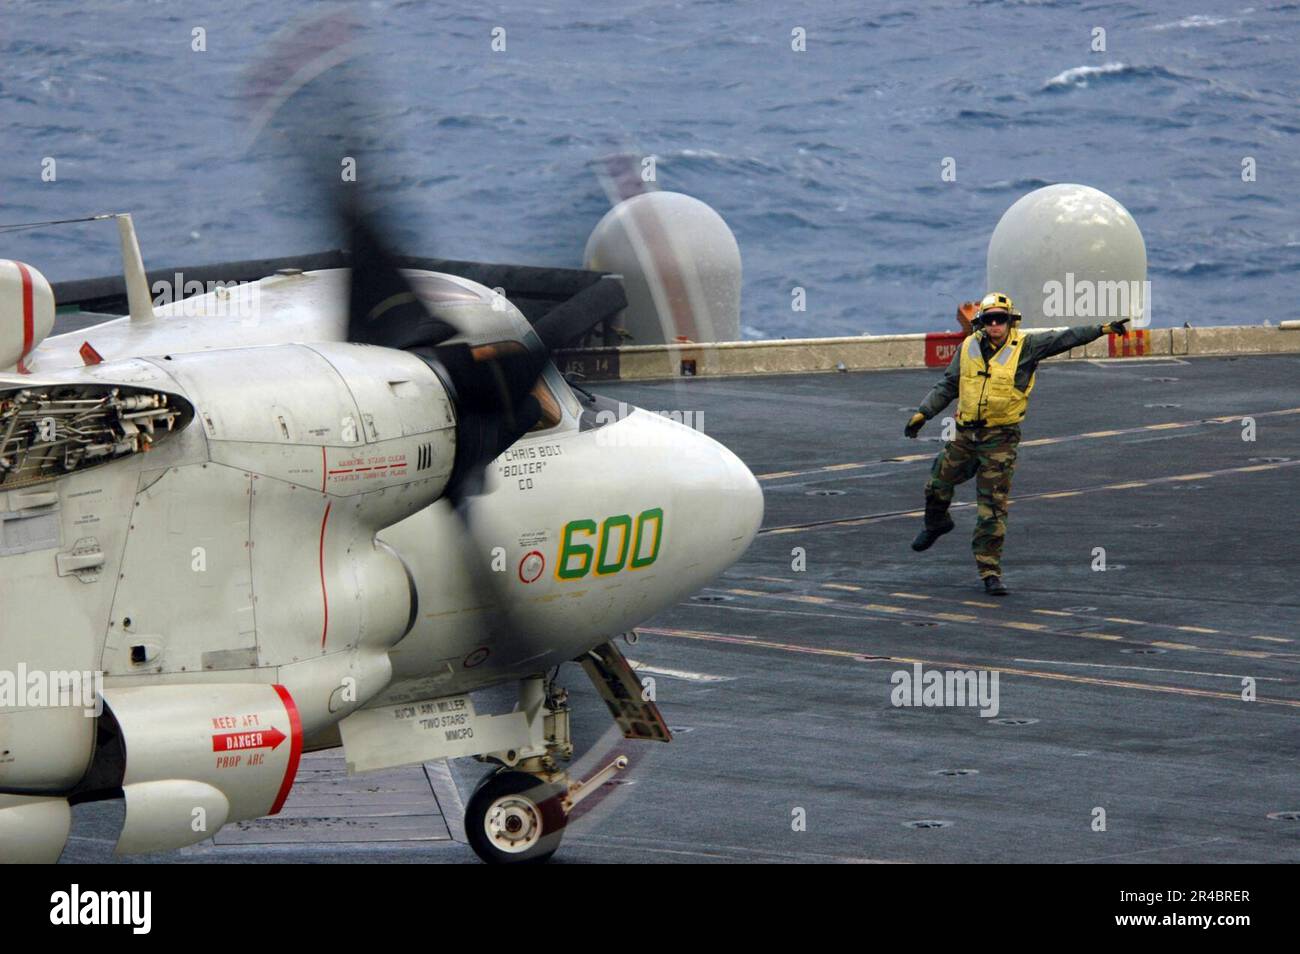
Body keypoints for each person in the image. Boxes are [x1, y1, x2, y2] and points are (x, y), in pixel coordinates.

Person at [904, 292, 1130, 595]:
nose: (995, 324)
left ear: (1011, 320)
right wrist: (923, 413)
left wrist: (1102, 329)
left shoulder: (1027, 347)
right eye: (989, 319)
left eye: (1001, 319)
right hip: (965, 436)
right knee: (936, 484)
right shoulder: (968, 347)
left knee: (992, 508)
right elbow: (948, 385)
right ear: (981, 323)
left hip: (1000, 439)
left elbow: (1065, 338)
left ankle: (989, 571)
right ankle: (936, 524)